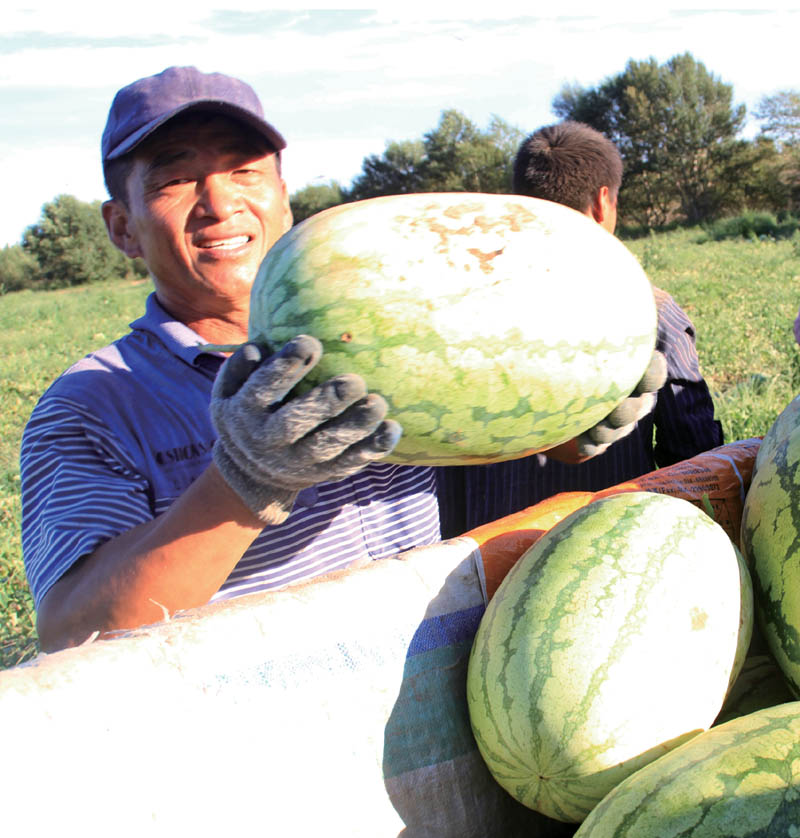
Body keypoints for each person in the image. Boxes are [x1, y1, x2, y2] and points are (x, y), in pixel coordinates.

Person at [20, 66, 442, 652]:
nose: (220, 203)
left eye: (244, 170)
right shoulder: (93, 405)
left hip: (444, 700)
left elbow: (478, 441)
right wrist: (244, 479)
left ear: (283, 198)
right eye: (176, 179)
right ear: (123, 228)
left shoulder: (393, 332)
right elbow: (70, 631)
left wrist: (564, 426)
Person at [436, 121, 723, 537]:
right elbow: (700, 464)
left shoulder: (457, 311)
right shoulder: (652, 312)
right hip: (606, 555)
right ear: (602, 202)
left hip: (472, 567)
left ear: (520, 203)